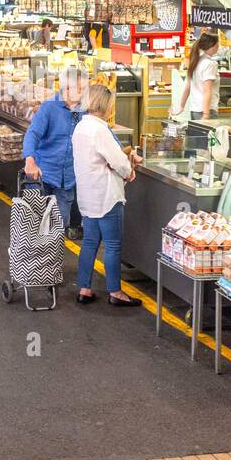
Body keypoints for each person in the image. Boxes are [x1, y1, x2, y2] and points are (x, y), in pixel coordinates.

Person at [72, 84, 142, 307]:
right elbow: (118, 161)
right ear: (105, 105)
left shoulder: (81, 127)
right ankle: (115, 292)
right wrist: (129, 171)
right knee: (112, 244)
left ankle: (84, 288)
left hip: (87, 194)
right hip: (106, 196)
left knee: (90, 242)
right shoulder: (100, 130)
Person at [22, 66, 88, 240]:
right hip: (42, 177)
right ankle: (34, 265)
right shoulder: (49, 108)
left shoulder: (86, 110)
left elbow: (101, 131)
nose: (84, 93)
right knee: (35, 228)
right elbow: (33, 134)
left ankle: (52, 265)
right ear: (67, 89)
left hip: (67, 181)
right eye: (80, 89)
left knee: (58, 229)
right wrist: (30, 160)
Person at [178, 32, 220, 120]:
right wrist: (206, 114)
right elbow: (207, 90)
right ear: (212, 45)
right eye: (217, 44)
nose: (218, 46)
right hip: (207, 110)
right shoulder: (210, 64)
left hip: (194, 110)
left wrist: (181, 106)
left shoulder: (196, 61)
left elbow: (187, 87)